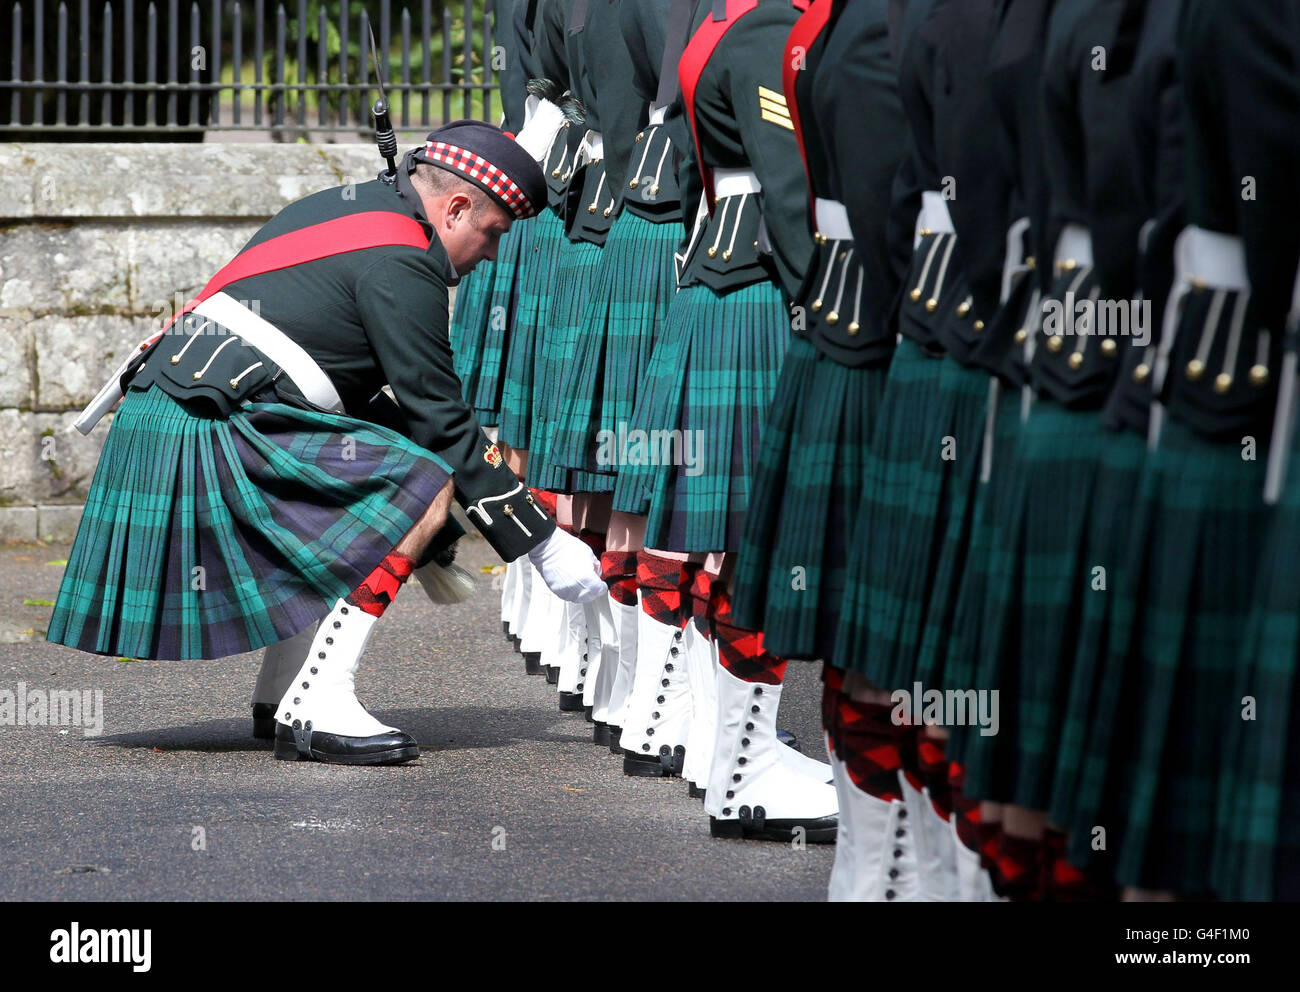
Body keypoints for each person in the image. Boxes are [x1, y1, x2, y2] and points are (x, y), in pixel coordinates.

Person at [48, 117, 607, 766]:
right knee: (419, 485)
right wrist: (538, 540)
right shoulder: (403, 259)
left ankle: (283, 691)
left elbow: (357, 392)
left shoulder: (347, 210)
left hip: (173, 415)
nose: (489, 256)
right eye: (491, 234)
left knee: (390, 471)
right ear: (456, 208)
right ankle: (319, 698)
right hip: (207, 426)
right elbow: (441, 420)